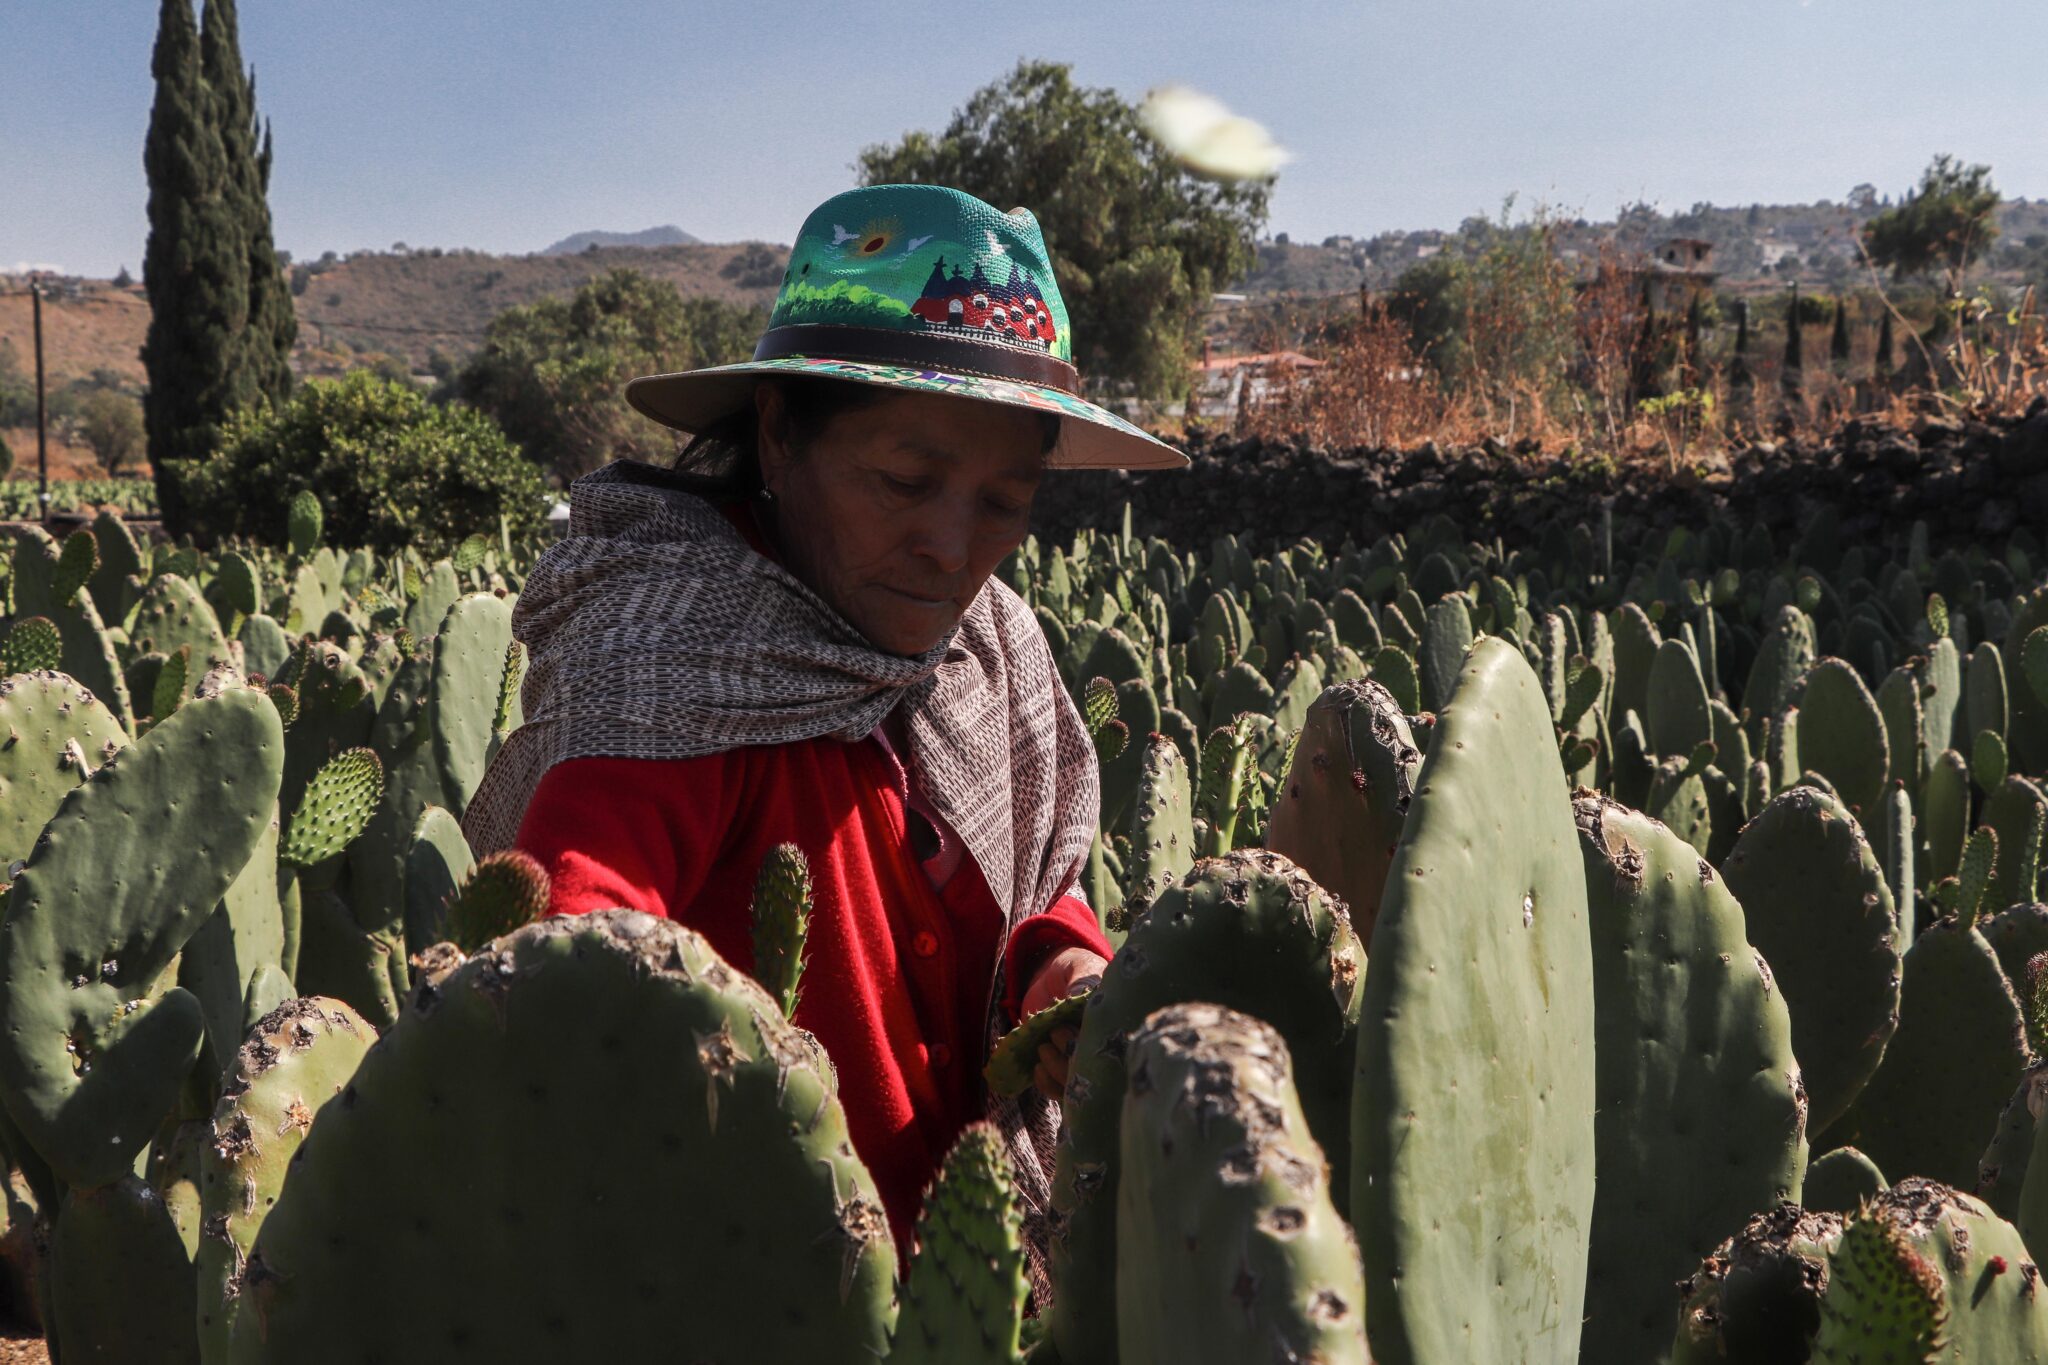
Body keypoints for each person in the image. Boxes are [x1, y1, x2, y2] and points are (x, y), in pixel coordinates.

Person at [460, 184, 1187, 1274]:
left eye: (1004, 501)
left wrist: (1061, 969)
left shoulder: (990, 646)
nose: (952, 547)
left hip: (976, 1287)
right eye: (905, 480)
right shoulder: (671, 654)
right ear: (778, 434)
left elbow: (1036, 888)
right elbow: (565, 956)